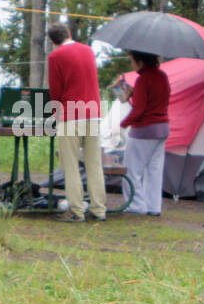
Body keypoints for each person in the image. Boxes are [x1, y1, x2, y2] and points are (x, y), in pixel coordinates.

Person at [47, 22, 106, 222]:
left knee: (70, 166)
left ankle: (76, 210)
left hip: (70, 115)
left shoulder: (55, 56)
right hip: (93, 112)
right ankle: (99, 209)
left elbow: (56, 89)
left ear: (53, 41)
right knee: (94, 164)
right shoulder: (88, 51)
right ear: (69, 33)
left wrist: (55, 112)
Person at [114, 51, 170, 216]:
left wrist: (122, 125)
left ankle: (136, 206)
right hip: (163, 128)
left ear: (140, 61)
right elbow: (155, 102)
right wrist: (133, 94)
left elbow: (139, 110)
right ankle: (154, 206)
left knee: (132, 170)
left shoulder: (143, 79)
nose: (132, 64)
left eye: (132, 61)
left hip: (144, 130)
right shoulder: (162, 76)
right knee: (155, 170)